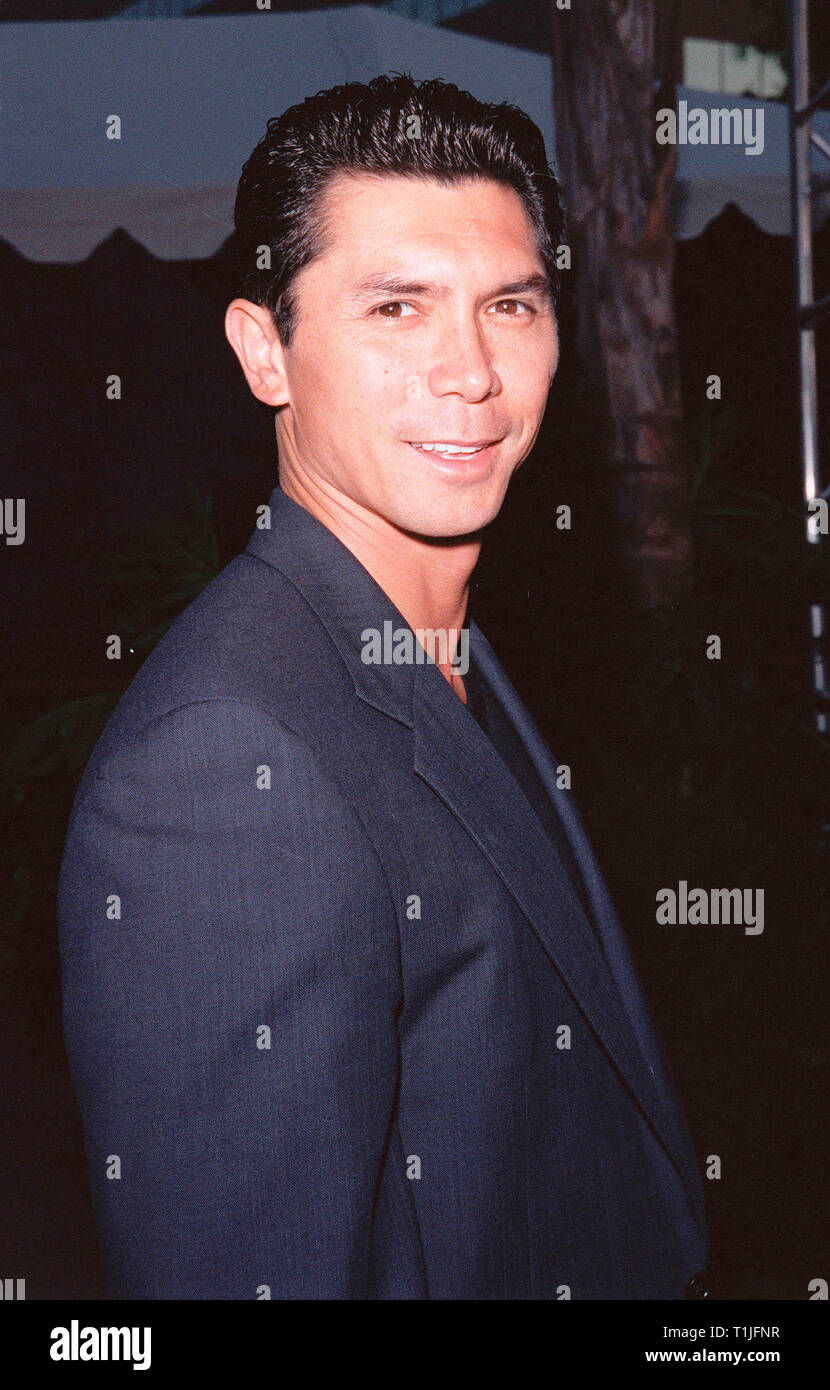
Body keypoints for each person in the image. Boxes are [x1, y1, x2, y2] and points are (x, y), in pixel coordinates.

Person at [58, 74, 708, 1300]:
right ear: (266, 352)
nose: (468, 371)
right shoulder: (223, 765)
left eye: (509, 303)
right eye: (396, 308)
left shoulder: (437, 638)